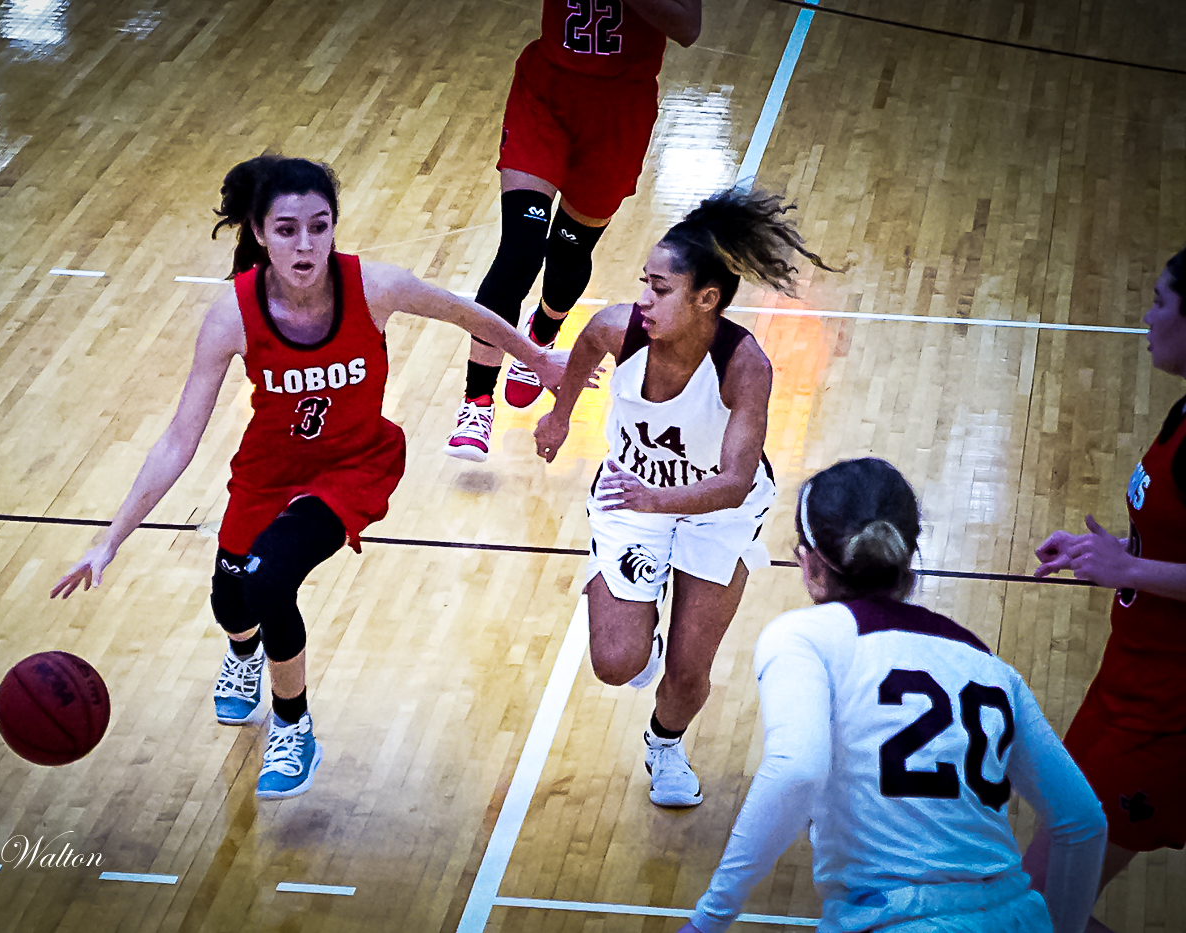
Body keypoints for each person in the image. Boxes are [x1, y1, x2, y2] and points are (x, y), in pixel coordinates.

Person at [50, 156, 565, 800]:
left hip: (354, 465)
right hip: (268, 471)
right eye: (288, 230)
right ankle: (243, 654)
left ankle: (293, 725)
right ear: (261, 234)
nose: (305, 245)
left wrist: (539, 358)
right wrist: (110, 539)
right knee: (231, 600)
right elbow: (180, 437)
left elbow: (468, 313)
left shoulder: (374, 287)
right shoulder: (233, 313)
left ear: (334, 229)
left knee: (270, 578)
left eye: (319, 227)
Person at [678, 458, 1107, 933]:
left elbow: (796, 770)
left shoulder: (803, 636)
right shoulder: (989, 665)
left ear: (809, 563)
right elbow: (1083, 822)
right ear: (909, 554)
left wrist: (710, 919)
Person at [534, 188, 834, 807]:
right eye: (643, 284)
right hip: (633, 495)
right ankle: (638, 629)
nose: (643, 299)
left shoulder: (744, 366)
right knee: (616, 664)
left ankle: (665, 745)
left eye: (660, 288)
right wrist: (559, 416)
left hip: (717, 513)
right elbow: (583, 348)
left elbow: (734, 483)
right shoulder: (618, 329)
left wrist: (657, 501)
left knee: (689, 671)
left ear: (706, 299)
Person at [444, 0, 703, 461]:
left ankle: (543, 330)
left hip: (620, 108)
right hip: (547, 90)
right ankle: (476, 401)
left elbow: (687, 26)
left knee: (569, 253)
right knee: (520, 249)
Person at [1025, 248, 1186, 932]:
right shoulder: (1184, 409)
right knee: (1042, 903)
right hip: (1128, 678)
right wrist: (1112, 551)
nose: (1145, 316)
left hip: (1168, 711)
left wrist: (1131, 571)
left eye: (1159, 301)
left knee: (1038, 912)